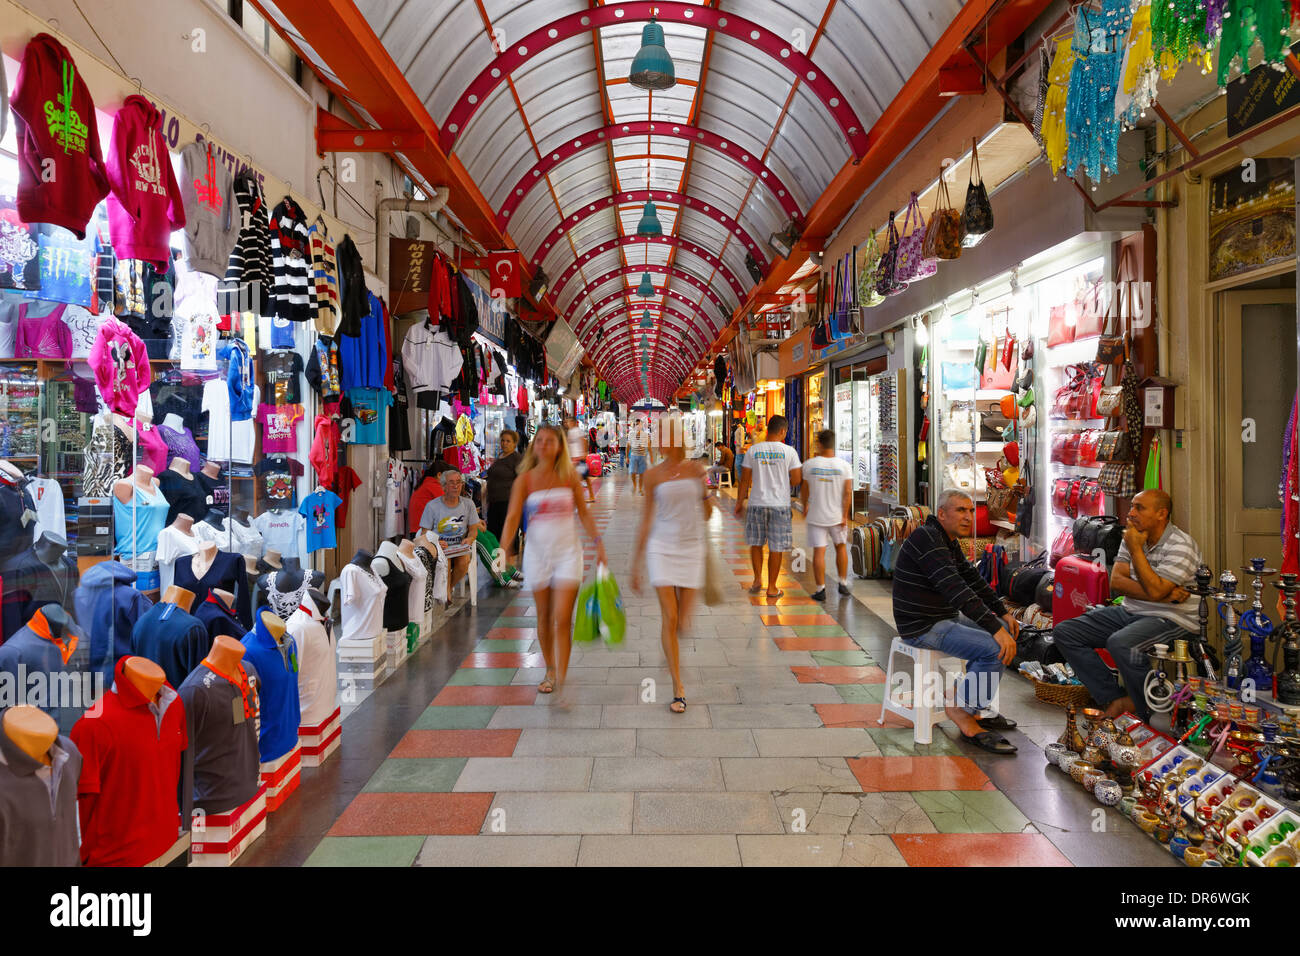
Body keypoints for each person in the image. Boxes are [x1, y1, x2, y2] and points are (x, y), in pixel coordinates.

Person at [1054, 489, 1202, 722]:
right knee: (1065, 632)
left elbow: (1152, 588)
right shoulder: (1134, 536)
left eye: (1139, 508)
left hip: (1174, 618)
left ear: (1161, 514)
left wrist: (1136, 551)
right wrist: (1163, 595)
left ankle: (1149, 715)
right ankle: (1117, 698)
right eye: (1132, 506)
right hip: (1132, 611)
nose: (1131, 513)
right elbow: (1118, 583)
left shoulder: (1181, 545)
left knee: (1122, 643)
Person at [891, 489, 1020, 755]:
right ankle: (962, 711)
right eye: (961, 510)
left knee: (1005, 631)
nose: (968, 517)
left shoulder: (944, 539)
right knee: (994, 646)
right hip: (922, 626)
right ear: (941, 514)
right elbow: (955, 590)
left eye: (971, 511)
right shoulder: (928, 539)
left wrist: (1002, 614)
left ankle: (968, 699)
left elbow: (971, 580)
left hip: (941, 616)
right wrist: (994, 629)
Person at [501, 424, 607, 695]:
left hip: (568, 554)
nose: (544, 445)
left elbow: (583, 513)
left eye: (550, 441)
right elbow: (512, 517)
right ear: (534, 446)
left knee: (562, 617)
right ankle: (549, 668)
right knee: (545, 617)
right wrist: (503, 550)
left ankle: (561, 673)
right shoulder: (524, 480)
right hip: (537, 556)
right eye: (540, 441)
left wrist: (598, 543)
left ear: (559, 446)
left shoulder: (569, 476)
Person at [631, 413, 711, 714]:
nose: (661, 440)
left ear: (678, 437)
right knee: (671, 616)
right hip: (661, 548)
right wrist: (636, 564)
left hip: (691, 549)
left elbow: (707, 511)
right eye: (659, 435)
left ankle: (671, 651)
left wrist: (707, 500)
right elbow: (645, 520)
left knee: (683, 622)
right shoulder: (652, 475)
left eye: (666, 434)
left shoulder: (696, 469)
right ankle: (678, 687)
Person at [734, 415, 801, 598]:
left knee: (756, 543)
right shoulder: (790, 452)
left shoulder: (753, 450)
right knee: (776, 546)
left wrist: (739, 502)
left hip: (757, 503)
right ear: (782, 431)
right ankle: (772, 587)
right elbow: (796, 479)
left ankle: (757, 580)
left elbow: (745, 480)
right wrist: (782, 480)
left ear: (768, 429)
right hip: (780, 505)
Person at [800, 429, 852, 601]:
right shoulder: (844, 466)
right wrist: (845, 515)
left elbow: (804, 490)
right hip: (837, 516)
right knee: (841, 547)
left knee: (819, 552)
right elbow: (847, 492)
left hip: (816, 515)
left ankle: (821, 589)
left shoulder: (809, 464)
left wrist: (805, 506)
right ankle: (843, 583)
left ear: (819, 444)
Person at [419, 470, 480, 602]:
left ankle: (448, 588)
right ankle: (446, 595)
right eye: (451, 483)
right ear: (443, 486)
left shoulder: (468, 504)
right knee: (445, 559)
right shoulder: (432, 506)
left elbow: (473, 530)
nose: (456, 486)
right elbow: (424, 533)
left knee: (464, 561)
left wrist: (469, 539)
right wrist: (435, 542)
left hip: (459, 546)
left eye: (458, 482)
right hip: (439, 548)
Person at [484, 430, 522, 541]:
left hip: (508, 504)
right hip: (494, 503)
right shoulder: (500, 456)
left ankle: (509, 559)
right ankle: (499, 559)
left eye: (508, 441)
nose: (504, 443)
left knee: (506, 538)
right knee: (494, 538)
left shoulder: (516, 459)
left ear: (515, 443)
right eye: (503, 441)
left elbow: (521, 480)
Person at [564, 416, 596, 503]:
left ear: (574, 422)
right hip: (574, 458)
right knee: (582, 478)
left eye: (569, 422)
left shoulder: (577, 431)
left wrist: (584, 453)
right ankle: (586, 496)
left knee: (582, 477)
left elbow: (584, 441)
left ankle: (582, 497)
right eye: (567, 422)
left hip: (578, 458)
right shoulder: (570, 432)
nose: (568, 424)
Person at [628, 418, 650, 495]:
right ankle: (634, 485)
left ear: (641, 425)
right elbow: (628, 445)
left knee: (642, 473)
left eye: (639, 424)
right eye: (636, 424)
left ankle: (640, 489)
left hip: (642, 456)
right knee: (632, 472)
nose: (638, 426)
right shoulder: (631, 434)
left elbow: (648, 445)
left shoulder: (645, 434)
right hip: (633, 455)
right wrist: (627, 457)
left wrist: (651, 455)